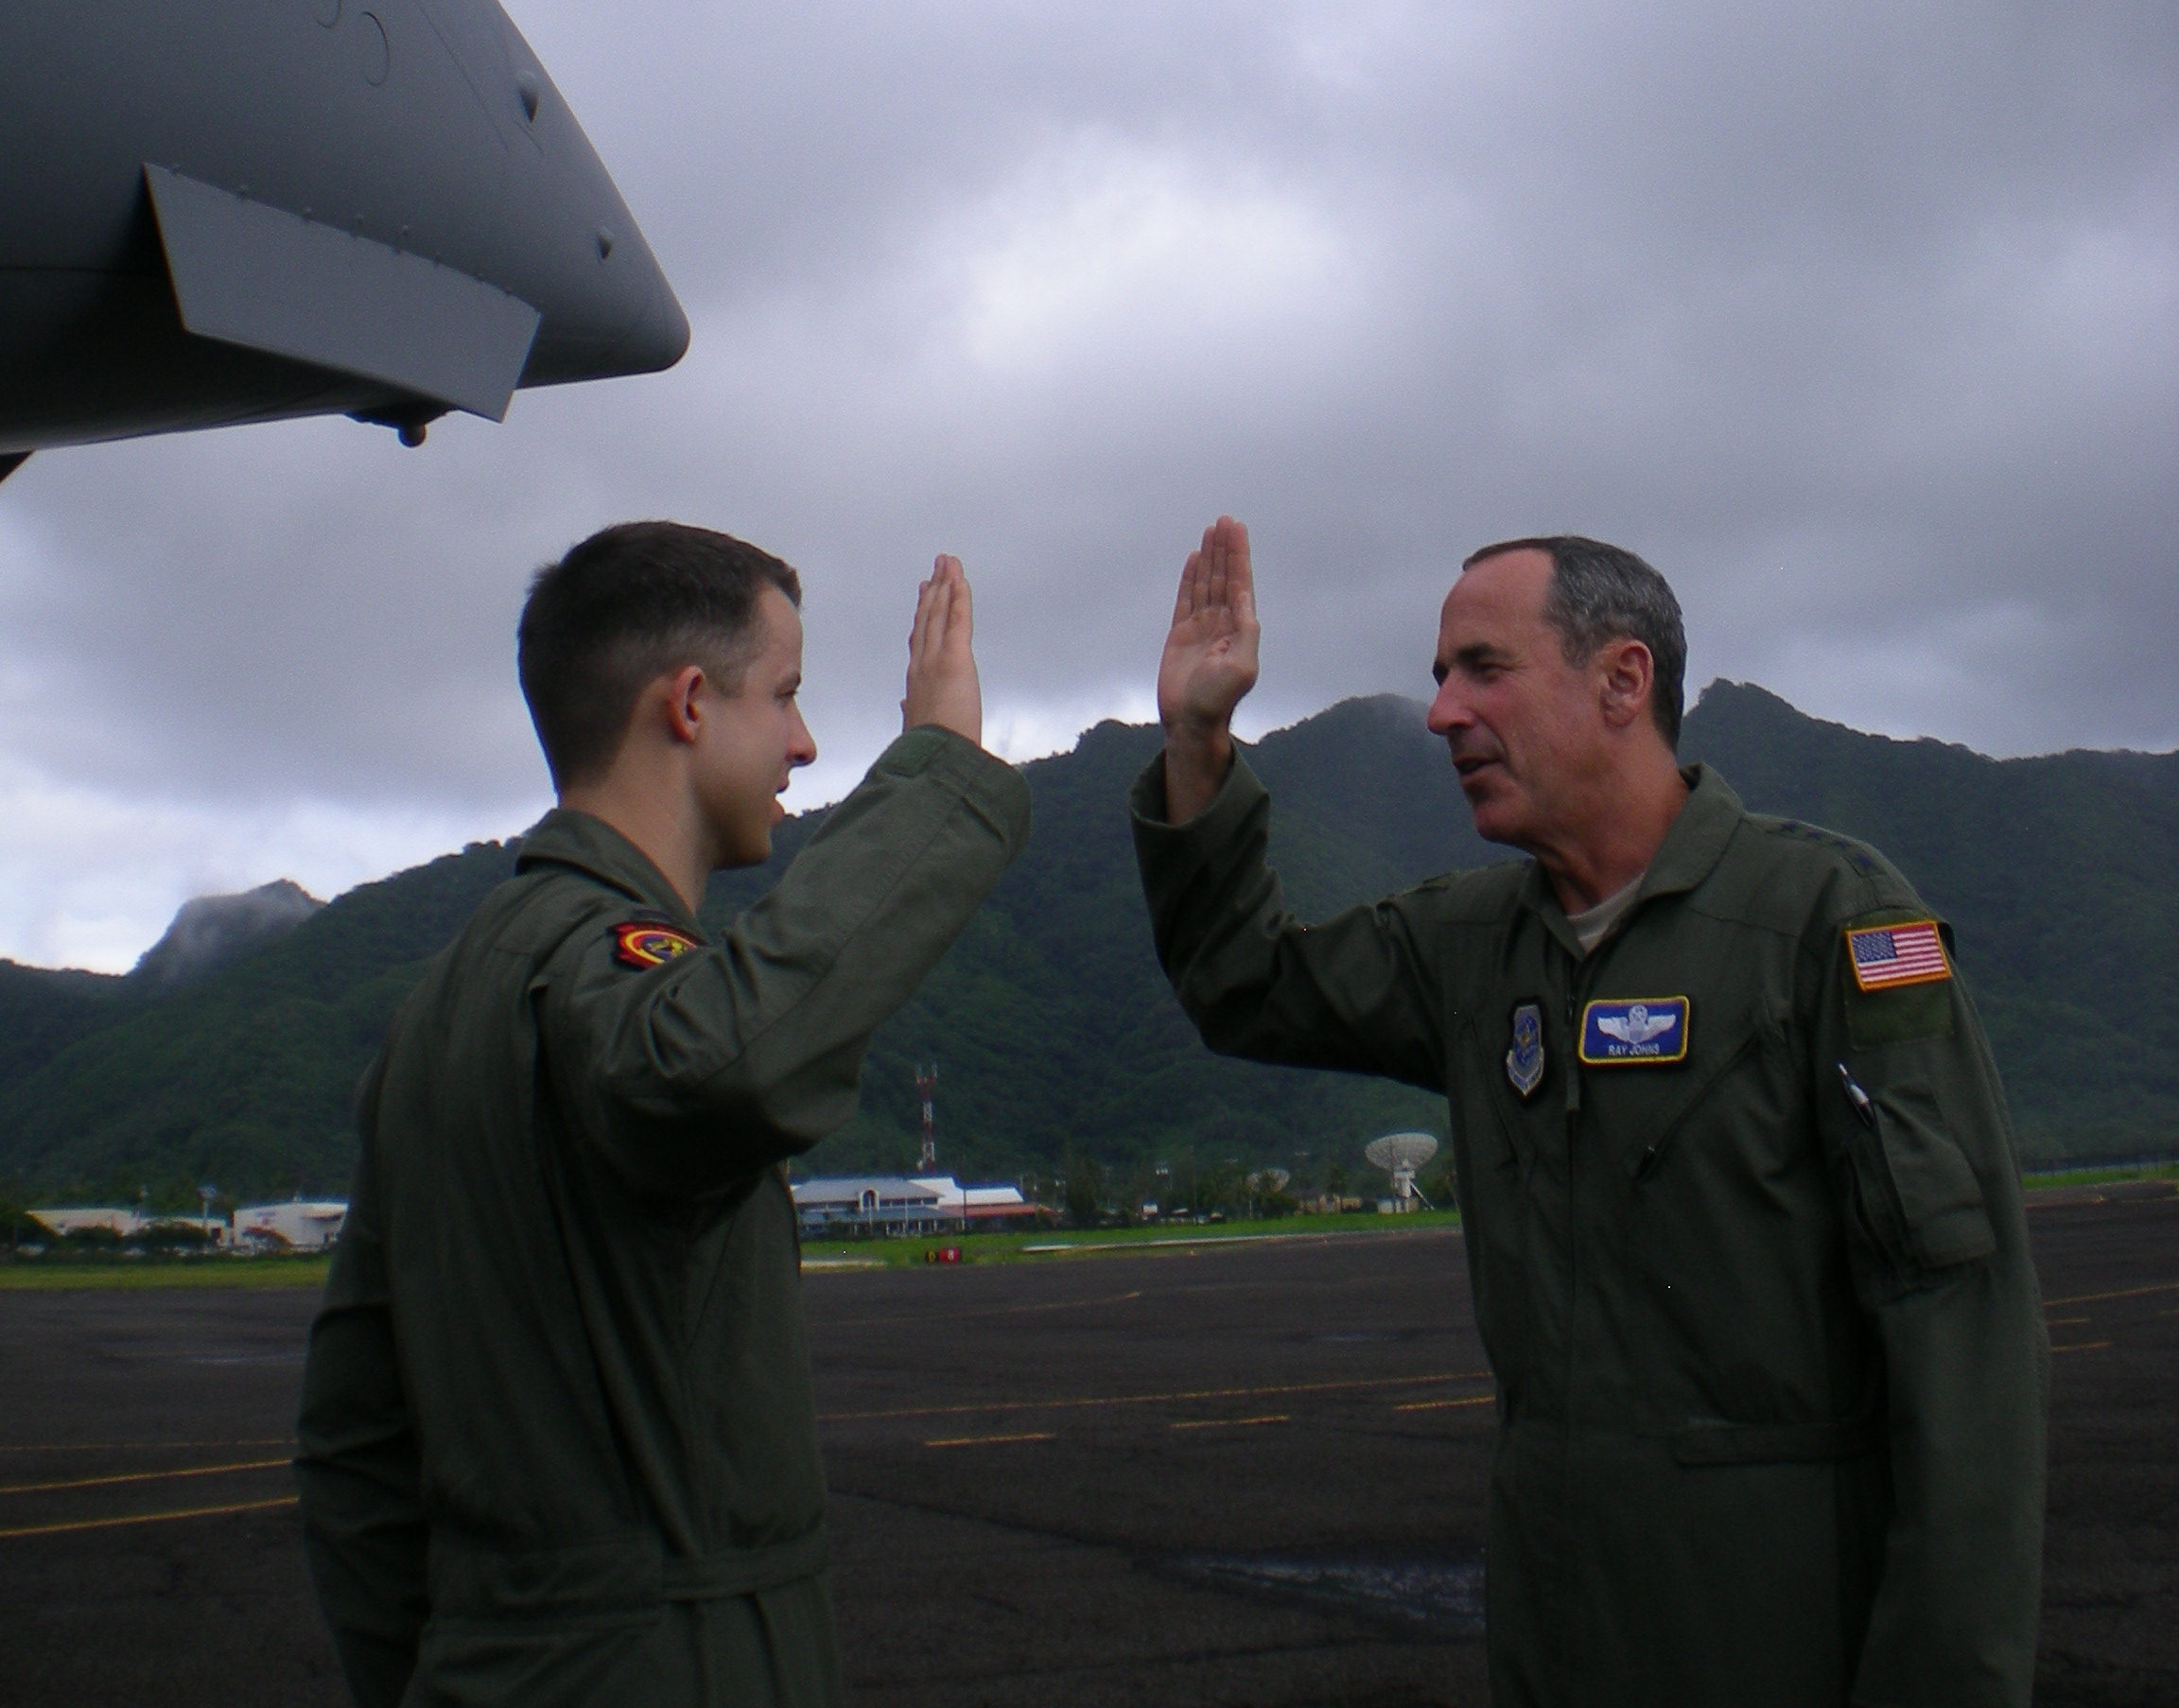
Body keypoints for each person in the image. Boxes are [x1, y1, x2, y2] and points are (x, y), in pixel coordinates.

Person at [1132, 517, 2047, 1708]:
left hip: (1784, 1644)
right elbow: (1246, 985)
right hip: (1560, 1637)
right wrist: (1198, 737)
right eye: (1439, 677)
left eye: (1483, 669)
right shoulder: (1475, 948)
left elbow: (1963, 1349)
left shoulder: (1827, 924)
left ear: (1624, 681)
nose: (1443, 713)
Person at [298, 521, 1030, 1708]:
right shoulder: (601, 965)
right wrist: (937, 765)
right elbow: (716, 1066)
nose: (803, 741)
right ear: (690, 704)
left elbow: (352, 1451)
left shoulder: (437, 1014)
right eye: (785, 694)